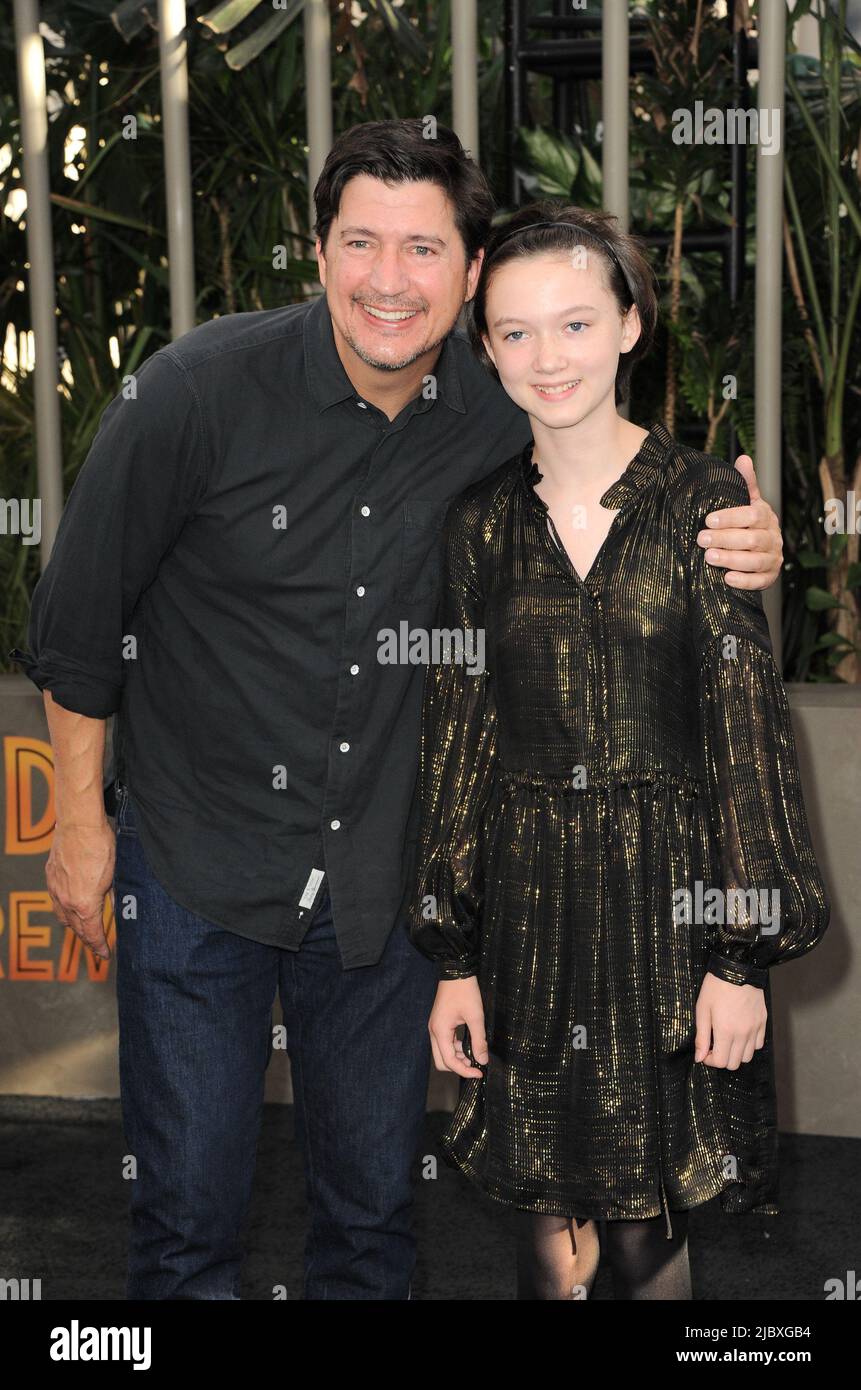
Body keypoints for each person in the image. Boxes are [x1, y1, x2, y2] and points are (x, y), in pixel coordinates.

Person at [9, 122, 784, 1302]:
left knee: (372, 1227)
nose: (388, 278)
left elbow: (618, 486)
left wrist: (740, 534)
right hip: (195, 869)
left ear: (469, 272)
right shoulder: (194, 391)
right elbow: (75, 627)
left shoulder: (499, 402)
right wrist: (77, 825)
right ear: (316, 253)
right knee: (183, 1226)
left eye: (423, 248)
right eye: (359, 241)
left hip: (381, 891)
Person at [406, 201, 830, 1301]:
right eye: (516, 331)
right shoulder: (479, 525)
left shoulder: (707, 505)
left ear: (631, 325)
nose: (549, 358)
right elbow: (460, 733)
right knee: (548, 1233)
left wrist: (739, 958)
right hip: (529, 916)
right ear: (485, 345)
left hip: (669, 913)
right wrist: (454, 952)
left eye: (577, 323)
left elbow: (747, 733)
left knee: (647, 1236)